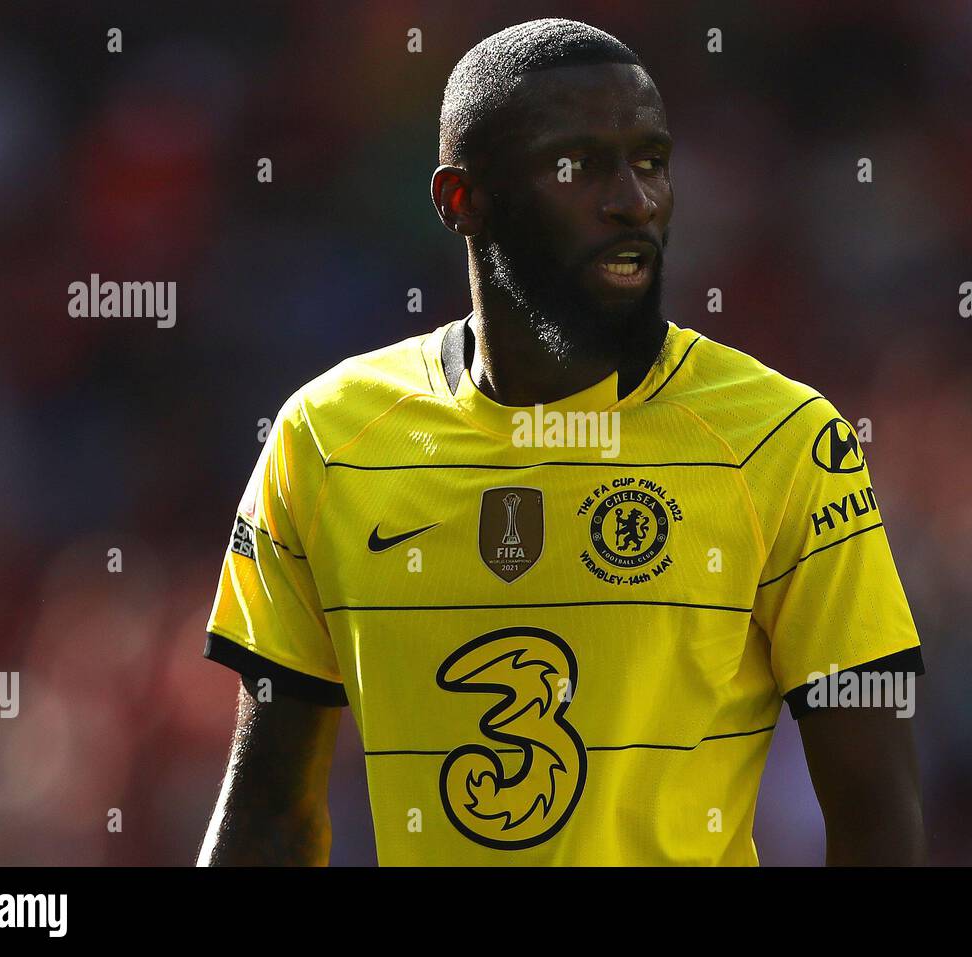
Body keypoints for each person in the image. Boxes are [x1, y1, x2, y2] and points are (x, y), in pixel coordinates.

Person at [198, 18, 925, 866]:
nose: (635, 200)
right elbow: (269, 821)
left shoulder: (782, 440)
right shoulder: (326, 441)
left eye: (651, 162)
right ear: (460, 200)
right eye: (578, 167)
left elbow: (878, 818)